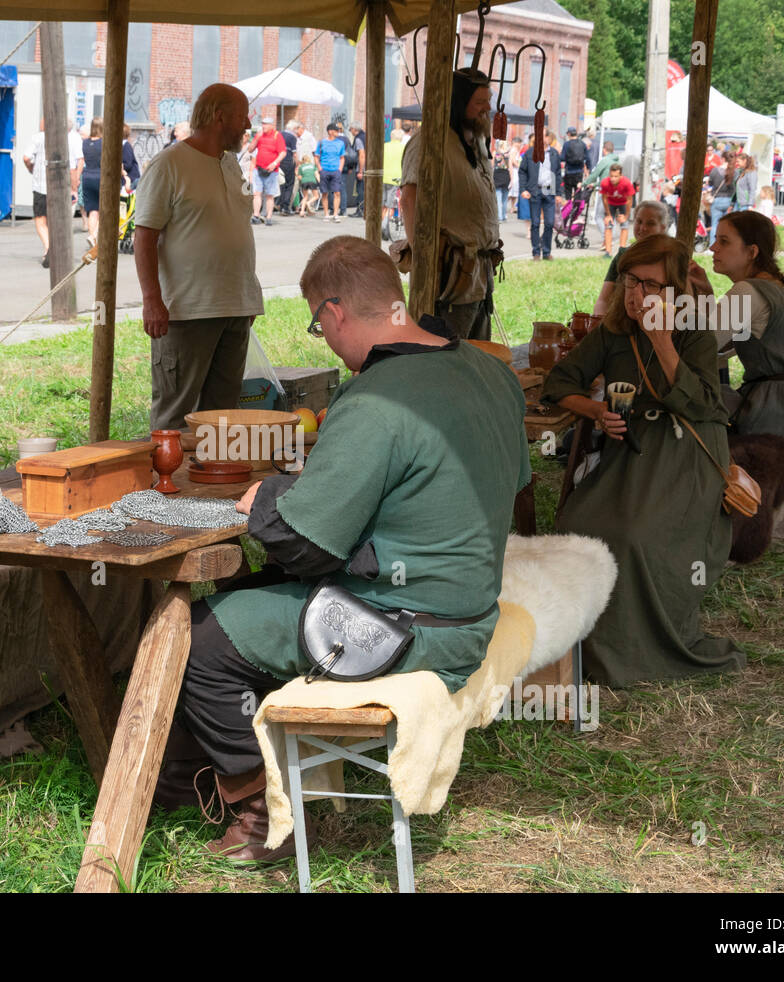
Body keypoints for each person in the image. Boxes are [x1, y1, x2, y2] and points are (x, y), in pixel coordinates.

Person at [157, 235, 530, 859]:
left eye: (317, 325)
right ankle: (185, 785)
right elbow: (505, 486)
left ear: (333, 312)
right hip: (470, 612)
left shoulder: (378, 397)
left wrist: (266, 500)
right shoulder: (490, 370)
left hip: (405, 630)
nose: (324, 339)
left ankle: (265, 805)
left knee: (197, 639)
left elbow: (306, 545)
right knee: (242, 594)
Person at [542, 235, 741, 686]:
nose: (637, 294)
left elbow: (707, 405)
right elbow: (560, 380)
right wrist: (597, 411)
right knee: (580, 520)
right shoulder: (613, 331)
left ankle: (639, 648)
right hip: (631, 448)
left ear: (673, 291)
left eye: (651, 285)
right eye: (631, 281)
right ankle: (587, 645)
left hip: (687, 452)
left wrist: (662, 340)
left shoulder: (694, 332)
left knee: (634, 535)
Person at [134, 83, 263, 431]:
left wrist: (248, 295)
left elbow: (234, 229)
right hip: (187, 310)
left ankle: (212, 484)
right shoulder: (169, 165)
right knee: (175, 413)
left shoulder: (232, 165)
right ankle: (163, 486)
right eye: (242, 116)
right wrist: (151, 300)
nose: (248, 124)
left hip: (235, 306)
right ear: (219, 117)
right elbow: (144, 236)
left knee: (222, 415)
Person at [691, 211, 784, 451]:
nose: (713, 247)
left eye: (724, 241)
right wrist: (705, 296)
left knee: (683, 403)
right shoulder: (770, 288)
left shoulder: (750, 291)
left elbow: (698, 347)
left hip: (783, 417)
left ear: (751, 252)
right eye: (715, 239)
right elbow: (719, 340)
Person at [401, 68, 501, 338]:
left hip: (478, 273)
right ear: (458, 103)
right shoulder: (428, 143)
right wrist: (424, 262)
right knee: (446, 355)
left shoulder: (476, 142)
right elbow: (410, 199)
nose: (487, 108)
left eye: (488, 100)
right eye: (480, 102)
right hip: (450, 277)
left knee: (476, 356)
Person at [592, 200, 669, 316]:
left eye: (650, 223)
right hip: (620, 322)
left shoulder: (670, 258)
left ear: (662, 228)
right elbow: (603, 300)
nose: (642, 228)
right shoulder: (623, 255)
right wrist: (597, 321)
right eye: (639, 221)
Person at [518, 130, 560, 260]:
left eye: (545, 136)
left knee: (549, 223)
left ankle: (546, 252)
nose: (543, 139)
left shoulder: (554, 154)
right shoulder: (530, 153)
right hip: (535, 191)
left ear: (549, 138)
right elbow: (522, 171)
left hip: (549, 191)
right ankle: (536, 252)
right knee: (535, 223)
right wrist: (523, 189)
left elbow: (558, 174)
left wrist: (559, 193)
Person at [22, 121, 52, 268]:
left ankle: (47, 248)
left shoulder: (38, 138)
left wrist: (31, 169)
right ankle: (54, 247)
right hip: (58, 187)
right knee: (54, 221)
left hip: (40, 185)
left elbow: (26, 157)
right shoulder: (66, 138)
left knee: (41, 220)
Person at [250, 113, 287, 226]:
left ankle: (269, 217)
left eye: (266, 124)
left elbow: (283, 152)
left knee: (270, 194)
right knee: (257, 193)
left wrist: (275, 163)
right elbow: (250, 150)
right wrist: (256, 138)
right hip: (258, 168)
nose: (263, 126)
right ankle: (256, 215)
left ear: (271, 125)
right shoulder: (259, 135)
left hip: (271, 170)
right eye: (263, 124)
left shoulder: (277, 136)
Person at [599, 163, 635, 256]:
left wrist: (626, 216)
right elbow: (604, 198)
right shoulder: (605, 183)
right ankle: (608, 252)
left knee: (624, 225)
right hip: (610, 203)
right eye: (611, 176)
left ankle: (621, 251)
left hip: (623, 204)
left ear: (620, 176)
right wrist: (608, 215)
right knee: (608, 225)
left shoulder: (627, 183)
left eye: (616, 176)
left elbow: (630, 200)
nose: (613, 179)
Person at [315, 122, 346, 222]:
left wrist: (339, 169)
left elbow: (342, 157)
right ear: (330, 131)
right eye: (336, 130)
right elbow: (316, 157)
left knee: (337, 192)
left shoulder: (340, 143)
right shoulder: (321, 143)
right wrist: (320, 168)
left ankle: (336, 214)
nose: (338, 132)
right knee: (325, 193)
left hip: (335, 171)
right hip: (324, 170)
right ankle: (326, 214)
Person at [79, 117, 104, 245]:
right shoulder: (104, 143)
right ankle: (95, 234)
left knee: (92, 210)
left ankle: (92, 237)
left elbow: (82, 160)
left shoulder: (85, 143)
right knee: (105, 209)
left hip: (87, 176)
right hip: (101, 177)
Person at [707, 151, 736, 245]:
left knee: (715, 224)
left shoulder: (715, 170)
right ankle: (726, 245)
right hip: (728, 201)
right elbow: (734, 188)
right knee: (728, 226)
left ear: (723, 159)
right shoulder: (734, 172)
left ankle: (713, 245)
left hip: (717, 200)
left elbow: (710, 183)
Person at [382, 124, 407, 228]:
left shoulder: (384, 146)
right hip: (396, 178)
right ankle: (384, 225)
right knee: (391, 205)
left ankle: (381, 222)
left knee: (383, 204)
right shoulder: (403, 148)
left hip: (383, 176)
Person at [559, 125, 588, 204]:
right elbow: (587, 158)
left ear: (568, 134)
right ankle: (576, 210)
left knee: (568, 193)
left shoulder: (566, 144)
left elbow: (562, 158)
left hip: (569, 172)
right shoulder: (583, 144)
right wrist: (587, 171)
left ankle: (568, 209)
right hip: (579, 172)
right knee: (578, 192)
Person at [346, 124, 366, 218]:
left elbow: (362, 155)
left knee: (360, 190)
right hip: (370, 167)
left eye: (351, 130)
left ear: (354, 129)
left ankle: (360, 210)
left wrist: (360, 171)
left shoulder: (358, 139)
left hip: (362, 168)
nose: (351, 132)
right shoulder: (366, 136)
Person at [492, 138, 511, 222]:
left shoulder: (495, 153)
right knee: (505, 198)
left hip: (497, 175)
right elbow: (510, 168)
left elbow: (492, 166)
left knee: (498, 197)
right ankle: (503, 215)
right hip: (506, 176)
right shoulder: (508, 154)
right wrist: (512, 179)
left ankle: (499, 216)